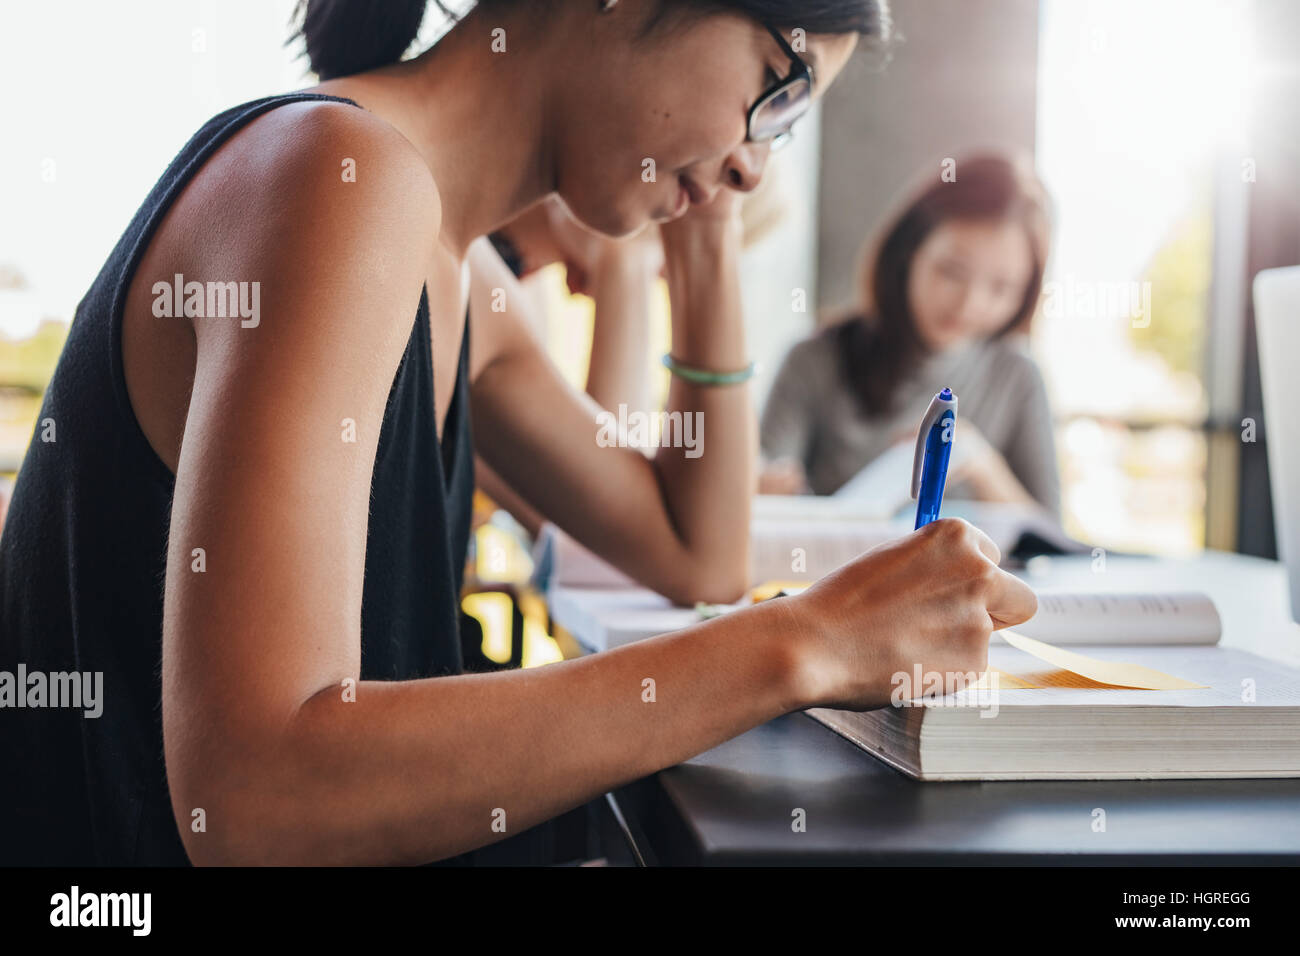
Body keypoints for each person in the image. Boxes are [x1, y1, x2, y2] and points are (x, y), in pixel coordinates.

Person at [0, 0, 1036, 866]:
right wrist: (805, 640)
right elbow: (256, 791)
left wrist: (708, 232)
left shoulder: (462, 275)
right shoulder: (339, 177)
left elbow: (694, 549)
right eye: (777, 86)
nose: (759, 166)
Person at [759, 153, 1061, 516]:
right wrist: (770, 489)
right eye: (952, 271)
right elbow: (766, 489)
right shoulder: (814, 360)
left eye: (1001, 288)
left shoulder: (1017, 377)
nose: (969, 304)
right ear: (908, 252)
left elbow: (1052, 536)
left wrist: (983, 467)